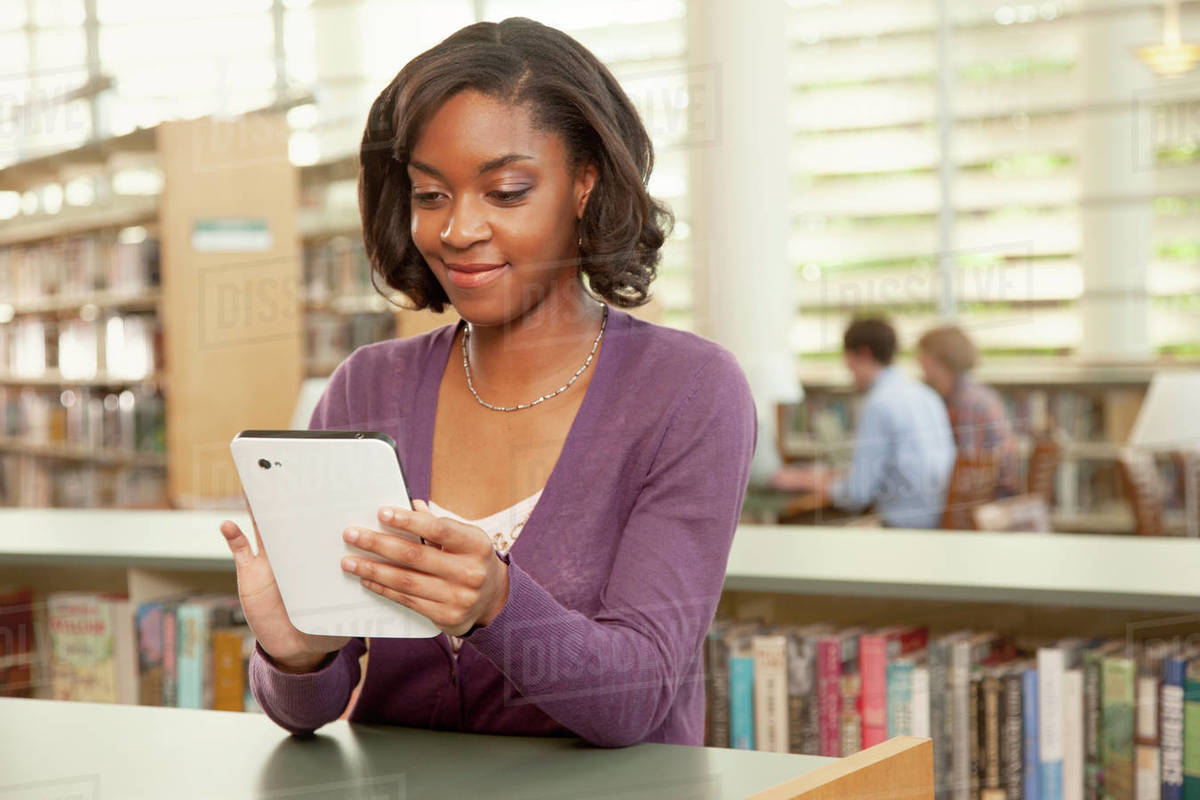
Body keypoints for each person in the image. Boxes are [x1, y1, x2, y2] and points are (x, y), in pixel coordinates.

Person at [217, 17, 756, 748]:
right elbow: (307, 708)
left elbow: (635, 701)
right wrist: (294, 649)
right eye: (430, 195)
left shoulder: (687, 391)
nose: (457, 230)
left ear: (585, 184)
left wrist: (497, 603)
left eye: (505, 192)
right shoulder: (365, 388)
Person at [771, 317, 955, 529]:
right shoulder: (926, 395)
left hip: (903, 526)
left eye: (847, 358)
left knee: (793, 524)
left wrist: (803, 480)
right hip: (935, 518)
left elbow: (857, 495)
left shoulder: (879, 403)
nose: (847, 368)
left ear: (864, 354)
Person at [916, 324, 1020, 498]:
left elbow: (967, 471)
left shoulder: (966, 402)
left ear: (939, 359)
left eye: (922, 354)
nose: (918, 361)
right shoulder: (976, 392)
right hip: (991, 496)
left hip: (988, 502)